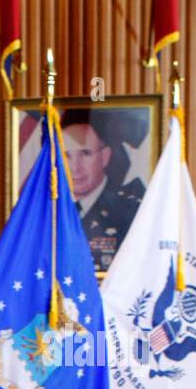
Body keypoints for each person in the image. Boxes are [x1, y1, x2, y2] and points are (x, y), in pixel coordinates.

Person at [61, 116, 140, 272]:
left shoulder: (131, 212)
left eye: (85, 153)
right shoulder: (45, 212)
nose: (75, 167)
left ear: (105, 157)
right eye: (66, 156)